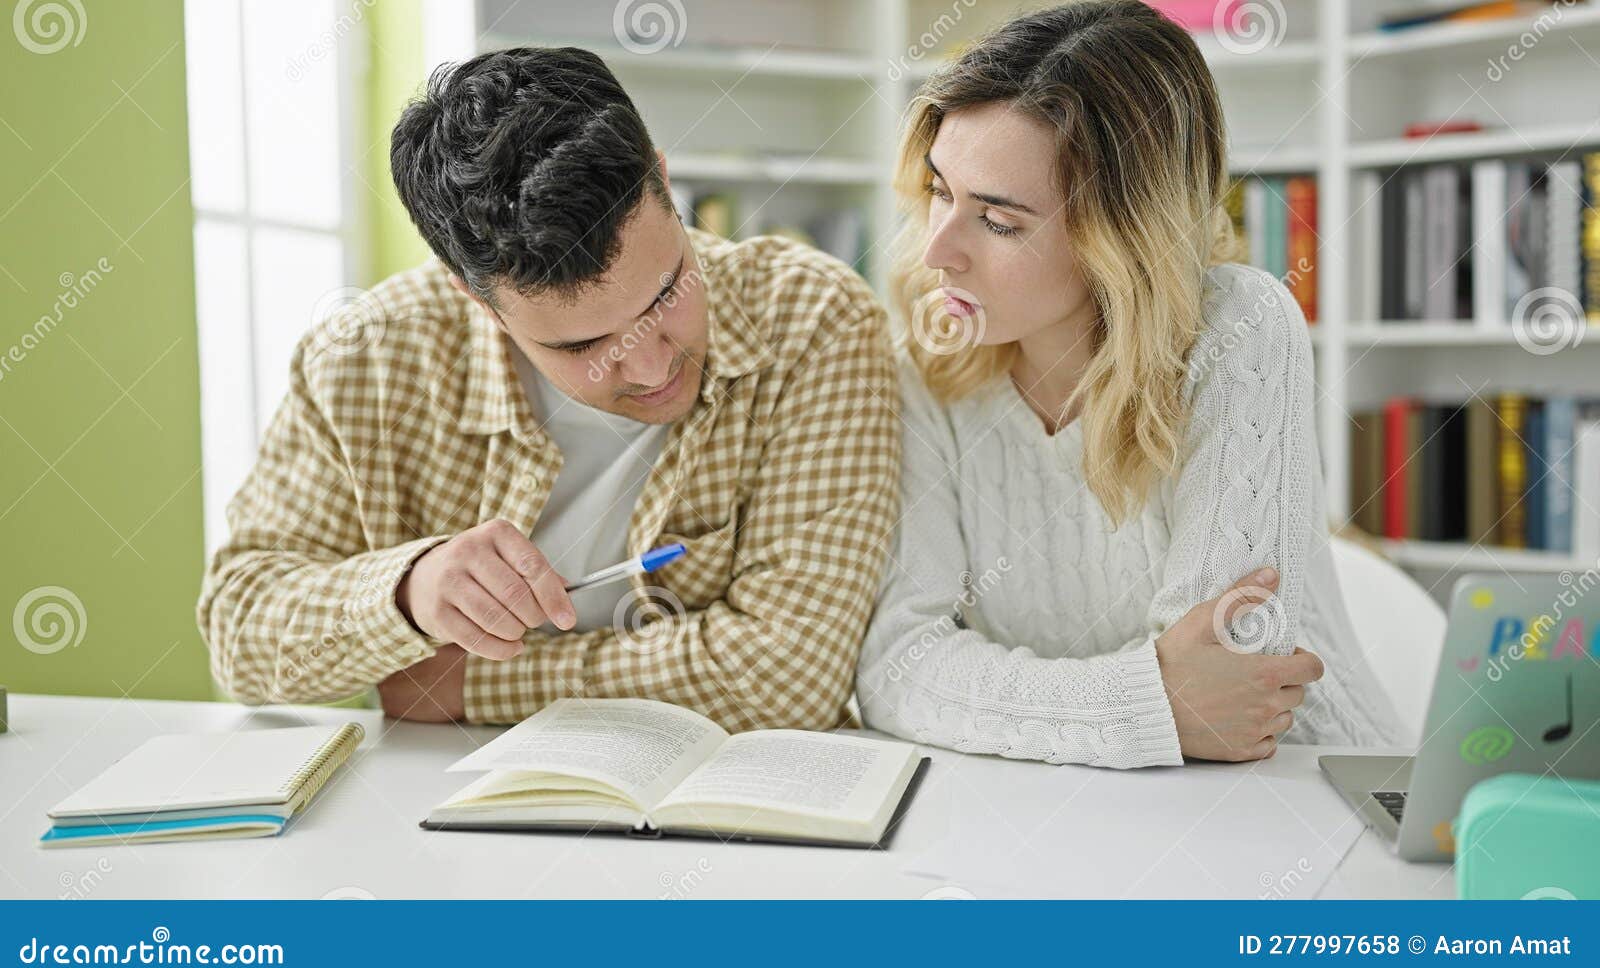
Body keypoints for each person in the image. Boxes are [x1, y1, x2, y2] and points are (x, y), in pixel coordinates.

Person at [197, 47, 899, 729]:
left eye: (667, 291)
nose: (653, 367)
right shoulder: (364, 362)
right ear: (473, 298)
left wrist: (472, 684)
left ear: (662, 180)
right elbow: (240, 636)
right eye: (584, 346)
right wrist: (410, 592)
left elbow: (791, 678)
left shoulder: (815, 320)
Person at [858, 1, 1403, 768]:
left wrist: (1042, 703)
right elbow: (896, 669)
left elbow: (1223, 689)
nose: (937, 251)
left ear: (1121, 235)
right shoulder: (930, 358)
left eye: (1000, 222)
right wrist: (1147, 704)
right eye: (941, 191)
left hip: (1304, 794)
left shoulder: (1238, 328)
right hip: (1076, 809)